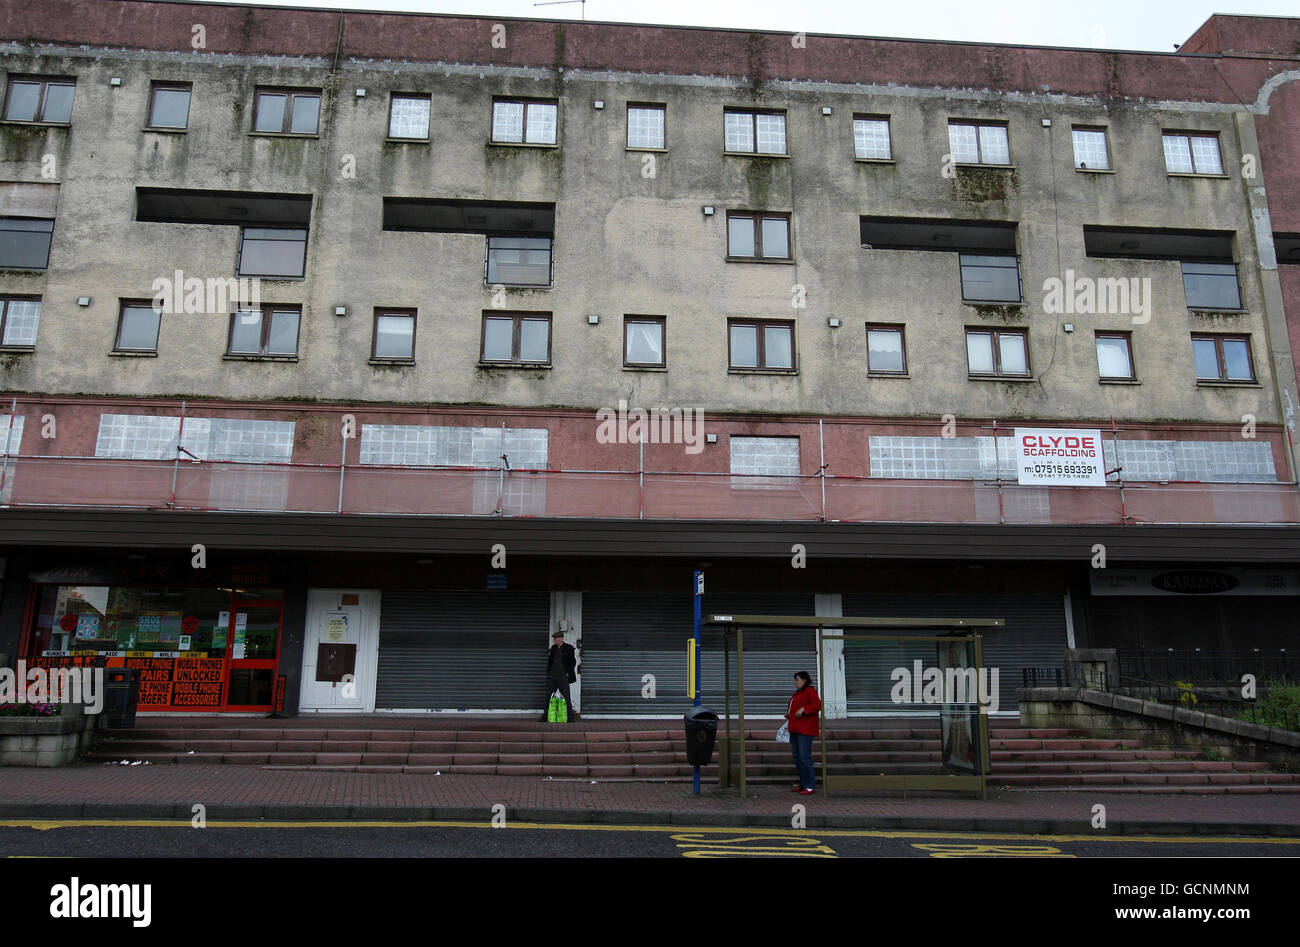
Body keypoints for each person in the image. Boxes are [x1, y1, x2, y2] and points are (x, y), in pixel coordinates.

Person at [786, 670, 821, 795]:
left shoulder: (810, 691)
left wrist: (804, 709)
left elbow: (817, 705)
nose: (795, 682)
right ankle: (803, 783)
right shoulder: (798, 693)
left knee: (804, 757)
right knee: (797, 757)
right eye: (795, 680)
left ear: (804, 680)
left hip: (805, 730)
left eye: (797, 680)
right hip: (795, 728)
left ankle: (810, 785)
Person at [540, 630, 578, 722]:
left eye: (556, 639)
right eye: (554, 639)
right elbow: (550, 661)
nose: (554, 641)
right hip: (552, 676)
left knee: (566, 696)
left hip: (562, 676)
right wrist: (548, 673)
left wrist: (567, 672)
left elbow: (573, 662)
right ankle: (546, 716)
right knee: (549, 696)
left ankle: (570, 716)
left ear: (560, 639)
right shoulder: (553, 648)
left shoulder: (569, 648)